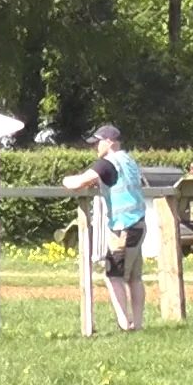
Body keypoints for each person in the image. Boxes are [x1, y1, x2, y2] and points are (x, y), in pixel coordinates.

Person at [62, 124, 147, 331]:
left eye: (98, 143)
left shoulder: (106, 164)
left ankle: (124, 324)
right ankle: (138, 323)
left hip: (123, 227)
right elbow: (117, 182)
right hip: (138, 223)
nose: (95, 148)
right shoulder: (128, 160)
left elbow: (78, 183)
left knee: (113, 276)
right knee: (135, 278)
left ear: (109, 143)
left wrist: (66, 180)